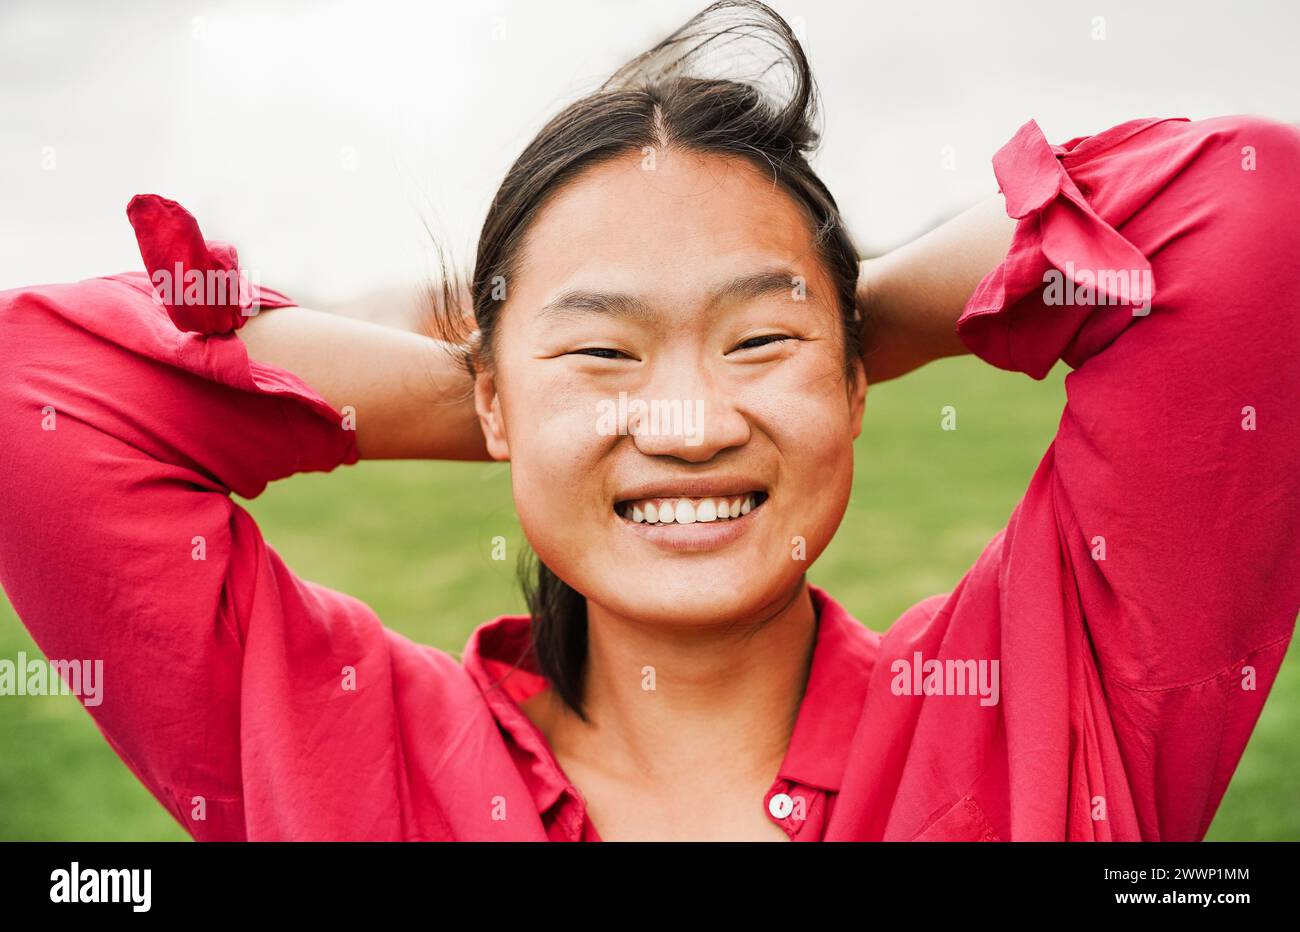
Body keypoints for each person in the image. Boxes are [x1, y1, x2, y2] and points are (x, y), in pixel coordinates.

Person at [0, 0, 1295, 841]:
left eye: (757, 341)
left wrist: (842, 326)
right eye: (606, 349)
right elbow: (38, 394)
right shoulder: (356, 761)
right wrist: (514, 407)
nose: (684, 423)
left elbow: (1247, 217)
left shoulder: (1039, 716)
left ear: (858, 383)